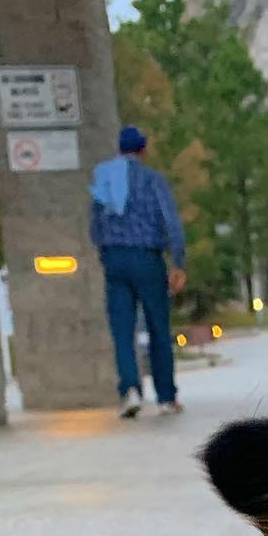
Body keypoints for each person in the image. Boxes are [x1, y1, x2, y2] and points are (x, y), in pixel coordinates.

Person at [88, 125, 186, 418]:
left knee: (122, 330)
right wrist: (178, 261)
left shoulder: (104, 178)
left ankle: (129, 390)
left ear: (119, 150)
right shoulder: (152, 180)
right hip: (147, 259)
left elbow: (94, 225)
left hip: (115, 260)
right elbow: (170, 222)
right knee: (158, 327)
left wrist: (105, 252)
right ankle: (166, 397)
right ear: (143, 150)